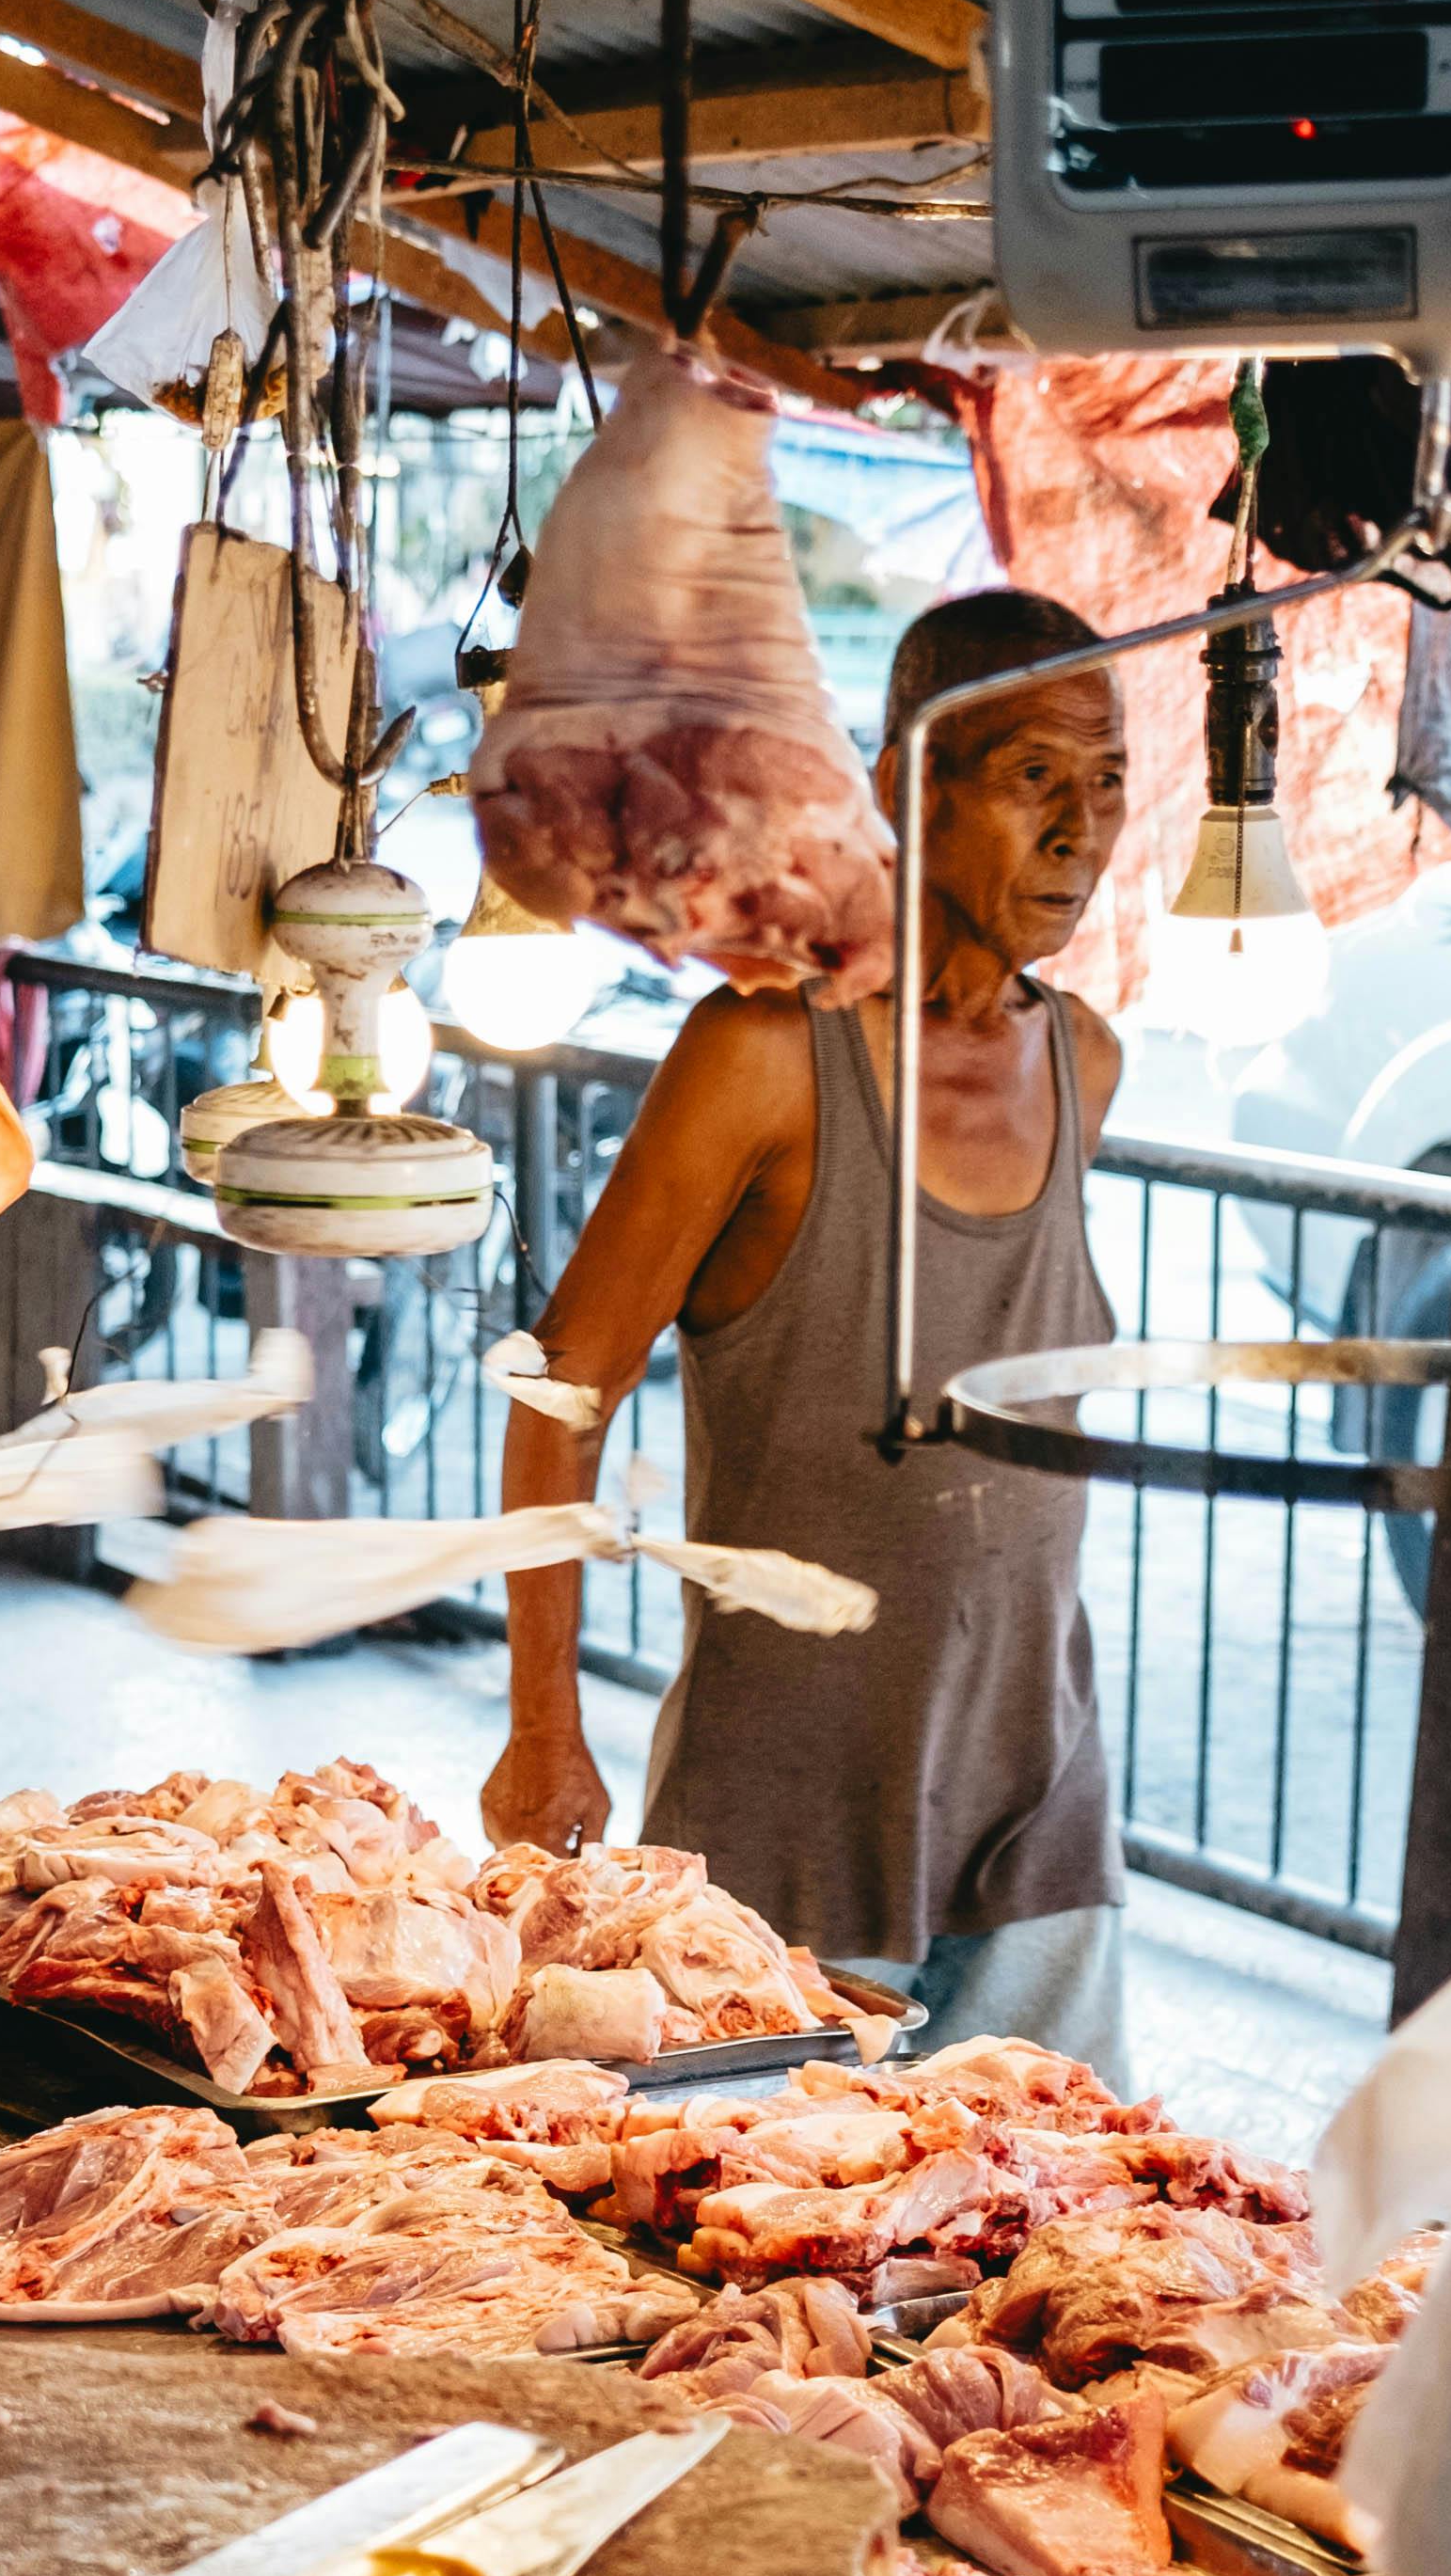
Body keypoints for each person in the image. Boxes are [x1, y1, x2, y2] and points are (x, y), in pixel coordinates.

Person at [483, 587, 1137, 2067]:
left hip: (1039, 1796)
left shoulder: (1085, 1062)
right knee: (748, 2206)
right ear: (911, 783)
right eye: (1036, 776)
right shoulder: (766, 1054)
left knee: (1056, 2196)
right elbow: (559, 1388)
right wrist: (542, 1727)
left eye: (1107, 782)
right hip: (787, 1809)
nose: (1080, 831)